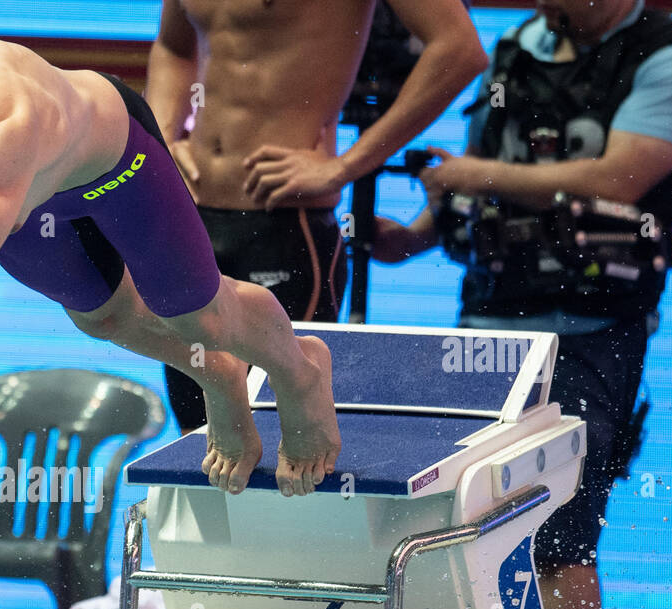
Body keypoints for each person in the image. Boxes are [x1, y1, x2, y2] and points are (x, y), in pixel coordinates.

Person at [0, 40, 343, 530]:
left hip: (112, 160)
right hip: (21, 202)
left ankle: (300, 371)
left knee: (199, 314)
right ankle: (220, 375)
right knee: (101, 316)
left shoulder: (4, 126)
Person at [371, 0, 672, 609]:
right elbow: (485, 169)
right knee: (459, 525)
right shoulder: (521, 46)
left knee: (561, 535)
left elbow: (614, 180)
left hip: (589, 334)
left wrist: (470, 177)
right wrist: (409, 238)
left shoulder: (668, 60)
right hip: (485, 326)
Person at [146, 0, 488, 432]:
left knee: (281, 432)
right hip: (189, 216)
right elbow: (174, 47)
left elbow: (460, 49)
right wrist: (157, 146)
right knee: (196, 433)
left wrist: (344, 166)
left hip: (286, 225)